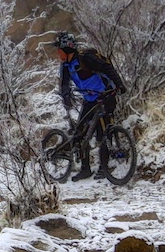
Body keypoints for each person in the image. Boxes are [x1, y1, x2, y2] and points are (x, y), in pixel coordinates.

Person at [53, 31, 127, 181]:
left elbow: (107, 68)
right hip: (89, 99)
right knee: (80, 133)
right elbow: (64, 84)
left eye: (59, 50)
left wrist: (119, 85)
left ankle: (103, 168)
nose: (58, 54)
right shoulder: (66, 65)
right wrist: (66, 96)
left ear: (67, 49)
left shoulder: (85, 58)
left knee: (103, 132)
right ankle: (85, 169)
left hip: (106, 95)